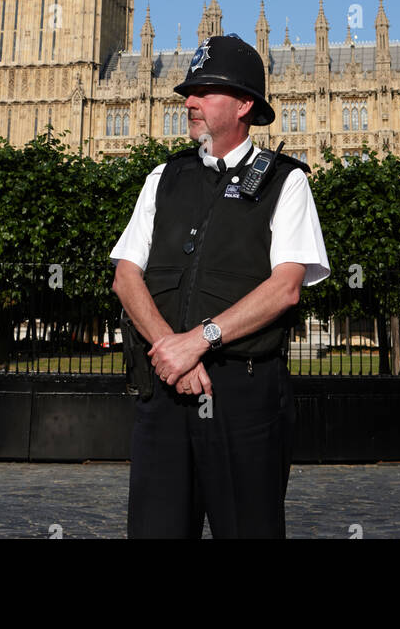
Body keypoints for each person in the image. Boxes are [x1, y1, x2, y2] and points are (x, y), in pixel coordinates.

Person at [111, 32, 329, 539]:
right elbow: (126, 277)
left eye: (206, 91)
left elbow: (286, 288)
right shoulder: (162, 177)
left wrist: (198, 341)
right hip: (164, 389)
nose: (189, 101)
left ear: (245, 105)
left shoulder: (286, 181)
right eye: (190, 91)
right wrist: (172, 350)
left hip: (242, 394)